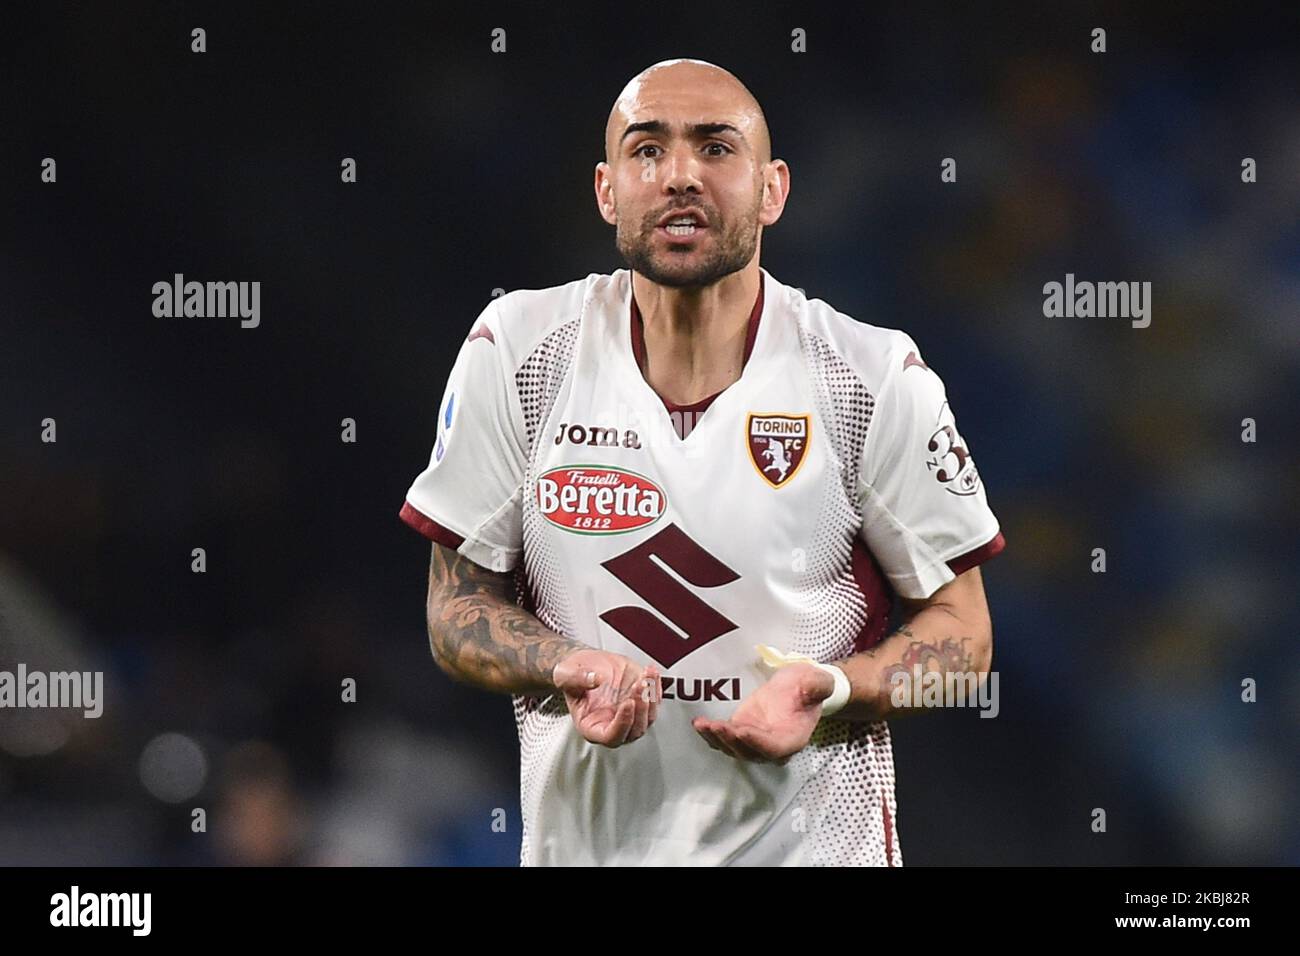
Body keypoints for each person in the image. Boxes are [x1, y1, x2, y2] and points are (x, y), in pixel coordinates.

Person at [399, 58, 1004, 865]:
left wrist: (830, 692)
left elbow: (965, 641)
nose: (680, 174)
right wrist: (566, 664)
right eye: (647, 150)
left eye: (716, 149)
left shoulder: (869, 377)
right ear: (607, 189)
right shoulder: (519, 352)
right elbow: (455, 611)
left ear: (773, 189)